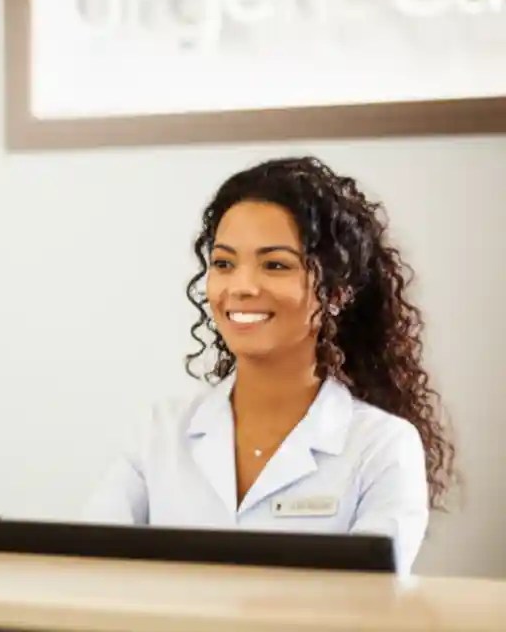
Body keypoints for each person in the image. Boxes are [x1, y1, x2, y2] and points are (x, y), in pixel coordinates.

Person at [82, 157, 455, 575]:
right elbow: (92, 574)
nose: (241, 286)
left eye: (275, 264)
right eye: (224, 263)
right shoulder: (160, 432)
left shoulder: (383, 447)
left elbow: (361, 607)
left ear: (336, 292)